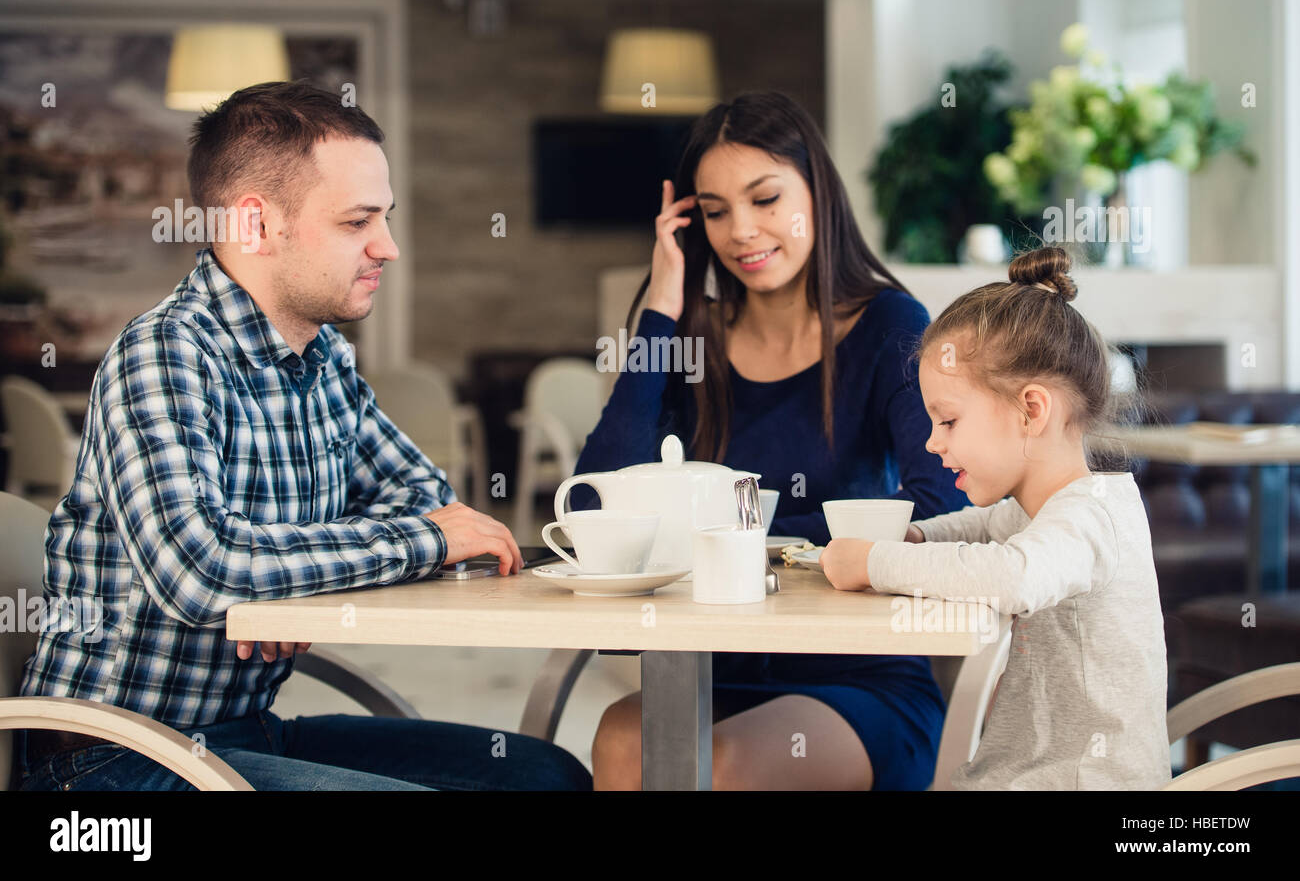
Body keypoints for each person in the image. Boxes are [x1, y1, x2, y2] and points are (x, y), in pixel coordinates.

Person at [16, 81, 592, 791]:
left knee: (543, 775)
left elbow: (426, 496)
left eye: (385, 218)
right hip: (108, 754)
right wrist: (411, 544)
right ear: (256, 226)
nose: (390, 246)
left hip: (238, 732)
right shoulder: (164, 353)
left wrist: (292, 589)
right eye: (358, 222)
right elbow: (201, 574)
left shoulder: (323, 357)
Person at [576, 91, 969, 790]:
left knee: (722, 767)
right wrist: (663, 309)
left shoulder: (890, 327)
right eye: (716, 210)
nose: (742, 232)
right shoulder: (694, 338)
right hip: (711, 664)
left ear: (816, 192)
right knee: (618, 741)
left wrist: (736, 536)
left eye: (765, 199)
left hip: (857, 674)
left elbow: (938, 502)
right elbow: (597, 513)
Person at [821, 246, 1171, 789]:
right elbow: (980, 529)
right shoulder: (1046, 509)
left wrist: (875, 561)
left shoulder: (1091, 518)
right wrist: (911, 536)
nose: (932, 443)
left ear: (1031, 411)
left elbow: (1015, 576)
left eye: (948, 420)